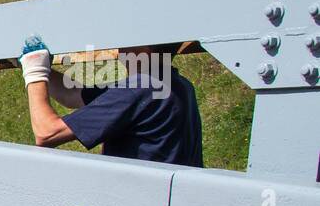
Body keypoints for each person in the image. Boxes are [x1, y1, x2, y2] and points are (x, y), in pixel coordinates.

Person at [17, 36, 204, 167]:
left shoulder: (140, 89)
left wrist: (34, 72)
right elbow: (73, 94)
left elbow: (47, 133)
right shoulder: (175, 84)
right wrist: (33, 66)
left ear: (142, 48)